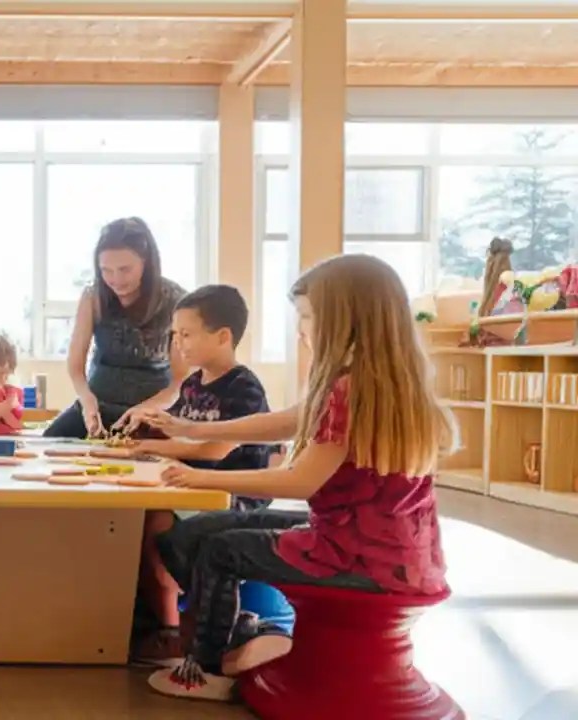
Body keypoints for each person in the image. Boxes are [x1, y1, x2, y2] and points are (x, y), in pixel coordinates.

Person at [125, 255, 451, 702]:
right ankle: (237, 629)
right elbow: (281, 422)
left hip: (354, 555)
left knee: (219, 549)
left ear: (344, 319)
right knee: (190, 535)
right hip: (382, 547)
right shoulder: (380, 382)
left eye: (307, 317)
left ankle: (205, 671)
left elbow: (301, 483)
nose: (301, 330)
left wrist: (201, 477)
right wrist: (192, 429)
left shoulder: (349, 391)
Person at [123, 285, 272, 667]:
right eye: (175, 335)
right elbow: (176, 429)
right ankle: (155, 617)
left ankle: (173, 630)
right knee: (137, 513)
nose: (178, 344)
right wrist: (148, 428)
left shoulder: (244, 387)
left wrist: (156, 448)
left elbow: (216, 449)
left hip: (232, 492)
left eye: (186, 334)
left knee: (156, 522)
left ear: (223, 337)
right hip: (192, 484)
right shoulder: (191, 384)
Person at [45, 217, 187, 439]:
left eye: (124, 269)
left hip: (151, 412)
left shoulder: (175, 300)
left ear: (146, 263)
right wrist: (87, 403)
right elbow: (75, 366)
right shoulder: (93, 297)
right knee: (50, 444)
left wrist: (145, 409)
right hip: (98, 406)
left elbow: (180, 381)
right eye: (106, 270)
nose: (115, 279)